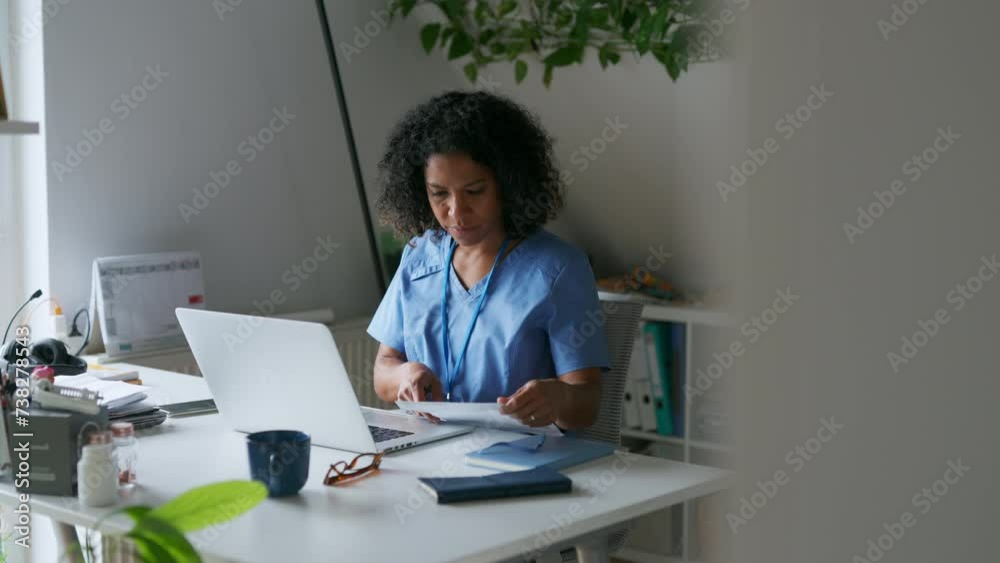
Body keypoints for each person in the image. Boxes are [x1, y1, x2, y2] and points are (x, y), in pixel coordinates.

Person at [367, 91, 609, 430]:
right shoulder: (419, 255)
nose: (456, 212)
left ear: (508, 184)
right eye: (439, 193)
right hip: (427, 448)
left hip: (519, 458)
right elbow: (384, 370)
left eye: (474, 191)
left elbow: (586, 407)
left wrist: (559, 398)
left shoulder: (557, 269)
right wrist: (405, 374)